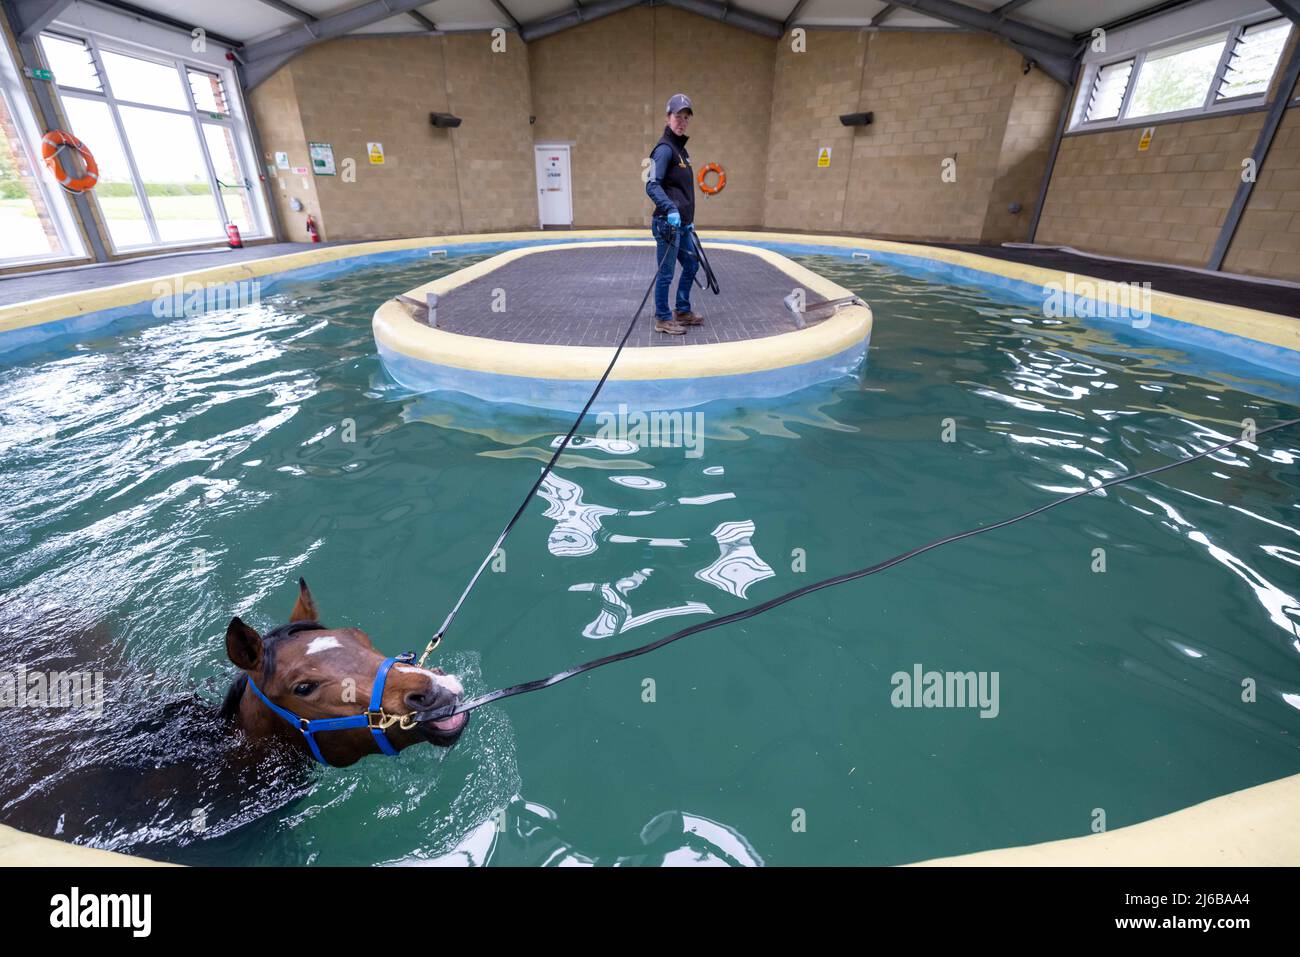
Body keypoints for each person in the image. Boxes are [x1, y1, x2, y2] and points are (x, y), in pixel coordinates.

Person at [645, 93, 703, 336]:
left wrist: (687, 221)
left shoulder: (682, 152)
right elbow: (651, 184)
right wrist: (670, 209)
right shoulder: (664, 150)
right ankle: (662, 318)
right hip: (667, 224)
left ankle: (681, 309)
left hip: (682, 225)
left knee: (691, 264)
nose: (681, 122)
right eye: (677, 117)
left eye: (685, 118)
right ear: (668, 118)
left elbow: (681, 190)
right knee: (666, 273)